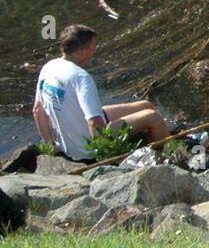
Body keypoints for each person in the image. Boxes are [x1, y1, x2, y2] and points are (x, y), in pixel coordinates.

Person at [32, 25, 168, 161]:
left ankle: (154, 144)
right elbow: (94, 122)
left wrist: (51, 146)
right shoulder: (81, 77)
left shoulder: (49, 67)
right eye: (93, 47)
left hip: (66, 139)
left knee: (145, 105)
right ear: (83, 51)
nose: (94, 51)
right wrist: (103, 154)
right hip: (85, 146)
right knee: (153, 116)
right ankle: (168, 158)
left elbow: (38, 111)